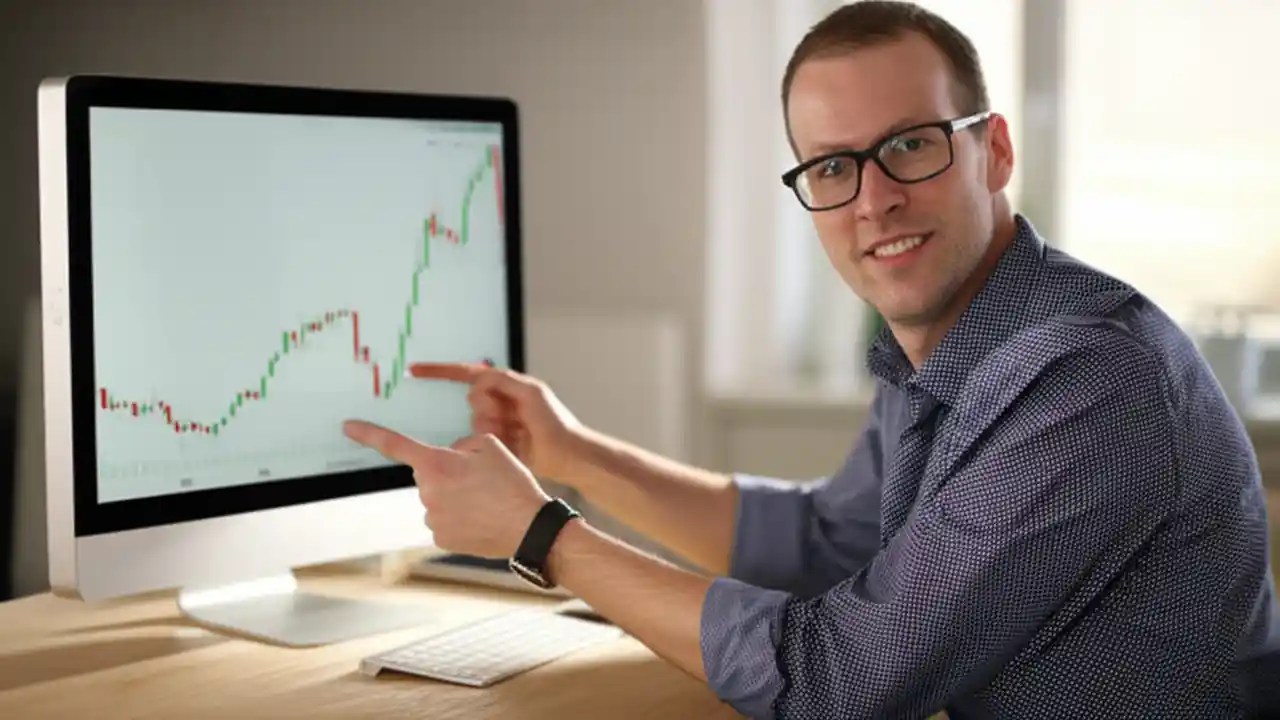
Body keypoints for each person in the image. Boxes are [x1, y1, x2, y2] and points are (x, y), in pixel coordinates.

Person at [343, 1, 1280, 717]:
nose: (873, 201)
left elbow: (841, 681)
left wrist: (541, 534)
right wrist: (575, 454)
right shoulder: (946, 345)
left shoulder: (1083, 382)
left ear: (993, 151)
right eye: (832, 167)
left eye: (909, 146)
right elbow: (826, 547)